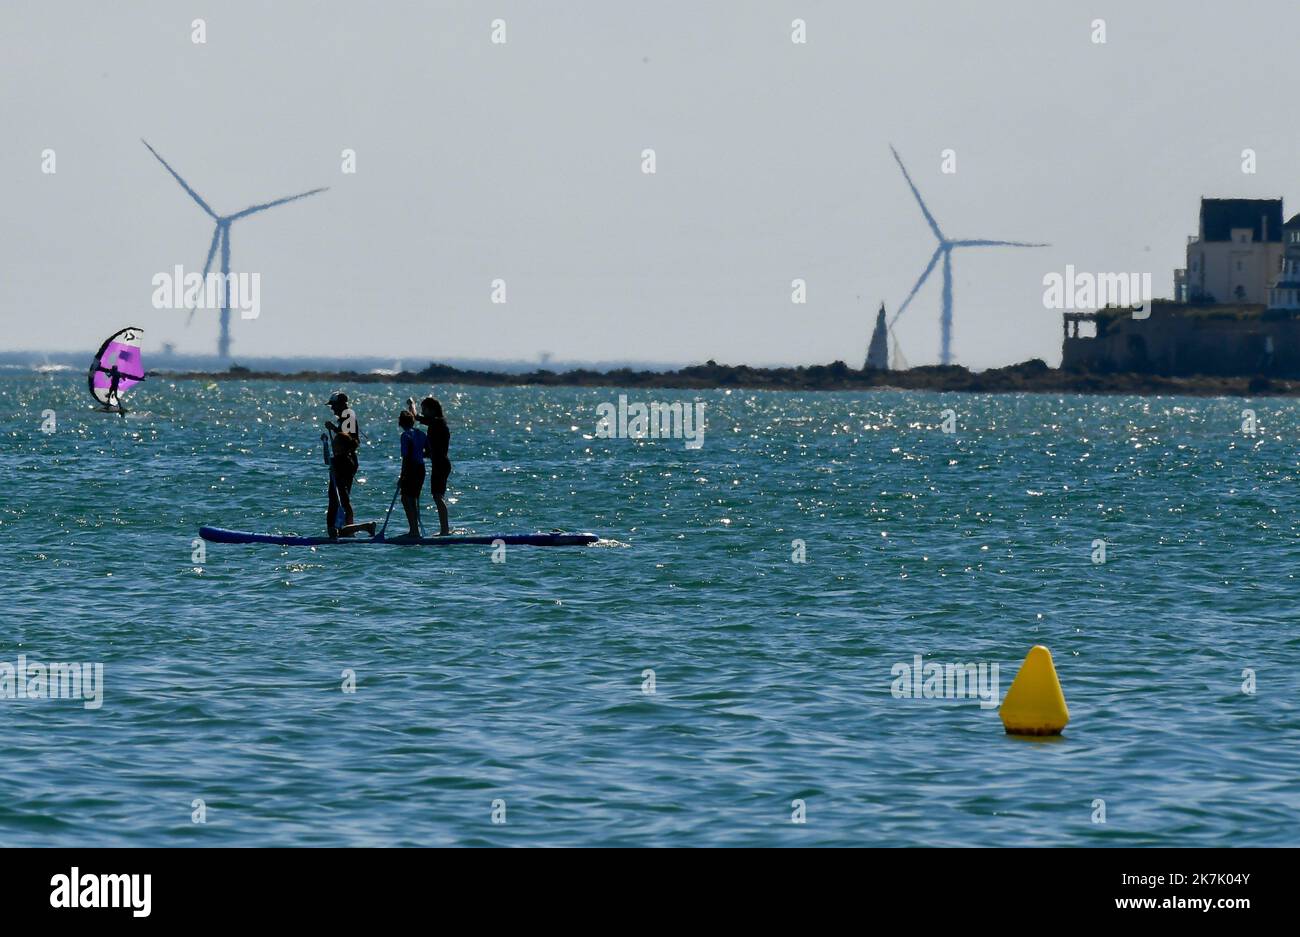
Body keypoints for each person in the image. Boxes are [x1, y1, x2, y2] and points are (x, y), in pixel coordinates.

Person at [324, 391, 362, 538]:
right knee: (339, 497)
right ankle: (344, 528)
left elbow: (349, 439)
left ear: (341, 404)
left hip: (345, 462)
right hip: (342, 461)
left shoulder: (348, 416)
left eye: (333, 406)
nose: (332, 409)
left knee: (340, 497)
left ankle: (347, 529)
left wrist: (333, 428)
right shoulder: (345, 417)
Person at [415, 396, 452, 536]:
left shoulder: (438, 422)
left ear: (432, 410)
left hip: (441, 464)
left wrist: (411, 406)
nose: (423, 412)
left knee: (438, 496)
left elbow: (419, 418)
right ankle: (445, 529)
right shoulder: (434, 424)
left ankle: (445, 530)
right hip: (438, 463)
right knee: (437, 496)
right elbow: (431, 451)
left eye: (424, 409)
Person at [396, 410, 427, 538]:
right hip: (421, 468)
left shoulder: (405, 436)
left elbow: (406, 457)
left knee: (407, 499)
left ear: (401, 423)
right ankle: (414, 530)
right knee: (410, 499)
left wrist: (402, 475)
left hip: (411, 469)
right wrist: (419, 455)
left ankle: (414, 530)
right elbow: (428, 451)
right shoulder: (421, 433)